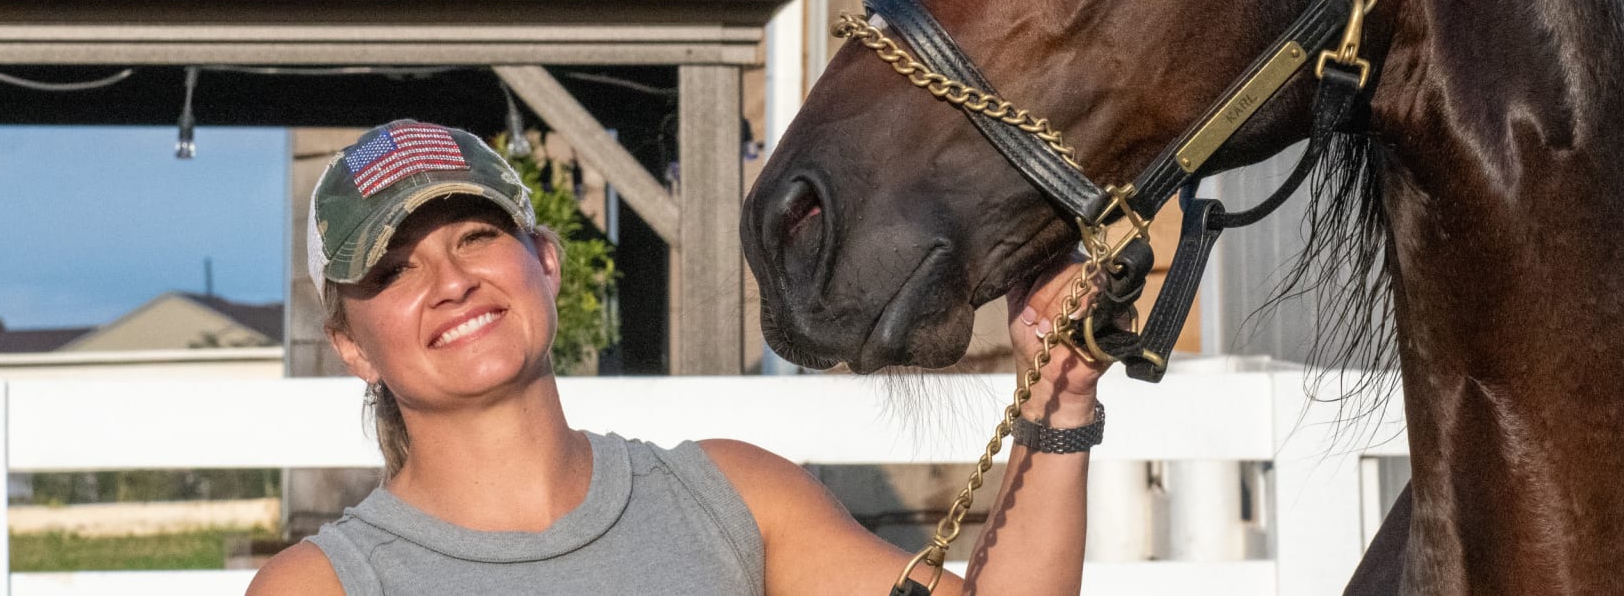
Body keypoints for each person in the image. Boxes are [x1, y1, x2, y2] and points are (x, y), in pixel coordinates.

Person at [248, 119, 1108, 595]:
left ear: (546, 263)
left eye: (477, 235)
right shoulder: (319, 587)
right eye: (395, 270)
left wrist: (1056, 393)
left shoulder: (731, 496)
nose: (452, 281)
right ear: (352, 345)